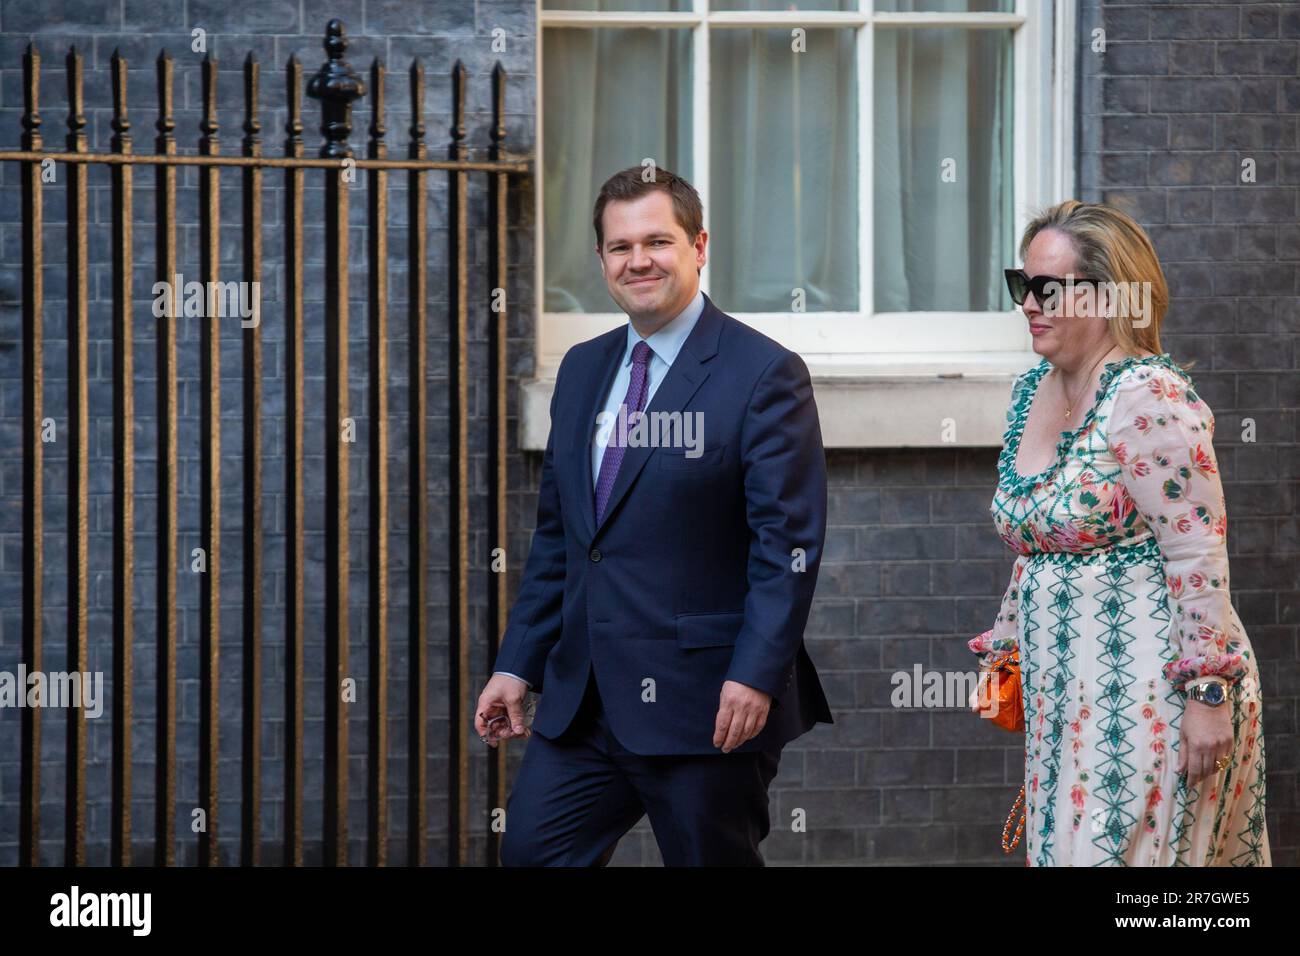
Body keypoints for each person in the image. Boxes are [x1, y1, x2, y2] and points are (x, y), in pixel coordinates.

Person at [475, 165, 833, 866]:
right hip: (585, 704)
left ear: (700, 246)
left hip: (706, 705)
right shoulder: (582, 370)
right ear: (603, 260)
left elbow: (785, 548)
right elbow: (562, 542)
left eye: (658, 241)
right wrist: (518, 663)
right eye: (619, 246)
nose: (638, 260)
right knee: (529, 855)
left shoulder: (764, 374)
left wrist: (756, 675)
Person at [970, 200, 1269, 866]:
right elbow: (1038, 537)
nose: (1029, 304)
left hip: (1154, 695)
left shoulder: (1148, 396)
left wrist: (1208, 694)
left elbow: (1197, 550)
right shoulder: (1031, 392)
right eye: (1024, 285)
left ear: (1110, 298)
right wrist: (1009, 641)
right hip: (1066, 699)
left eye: (1049, 289)